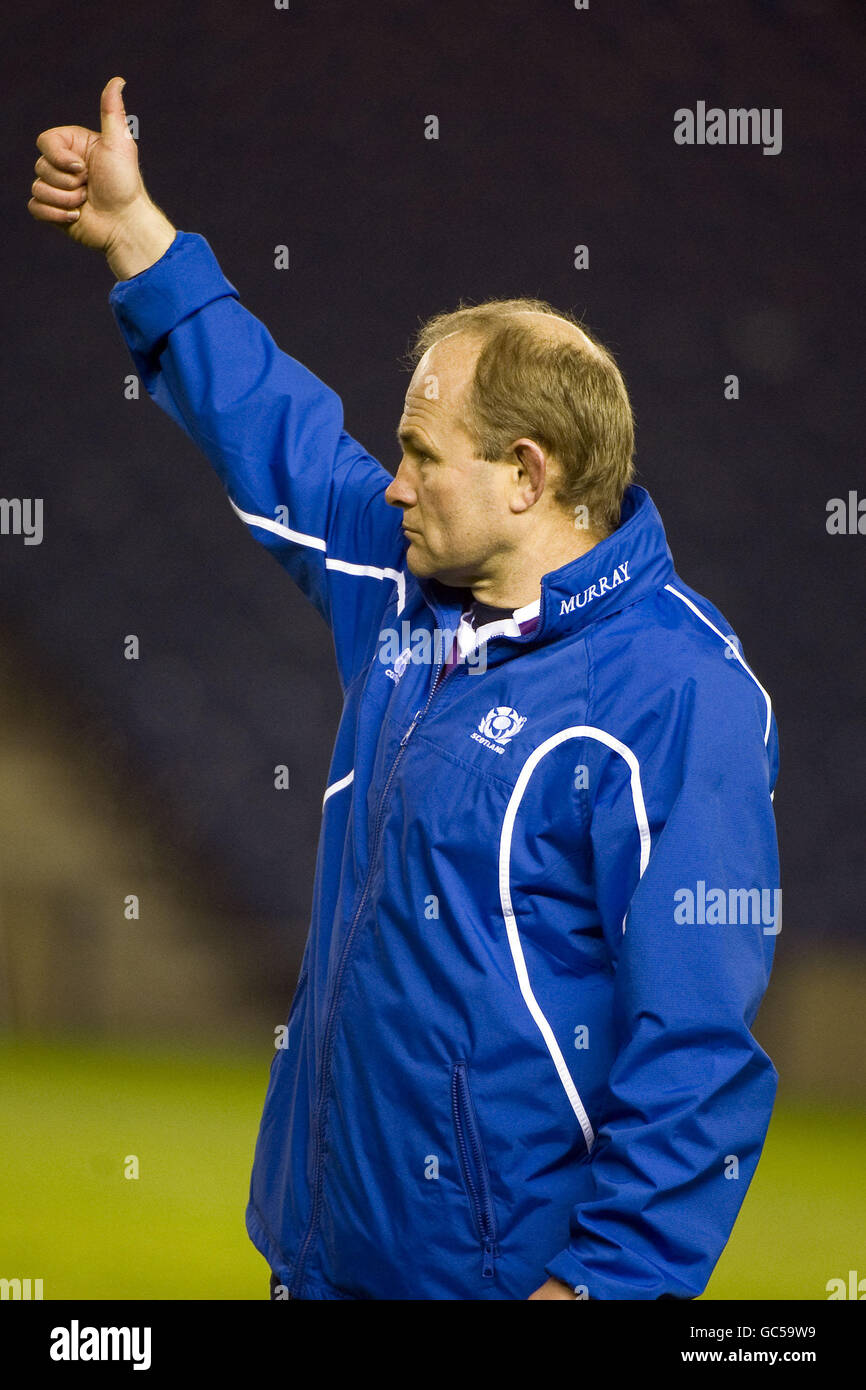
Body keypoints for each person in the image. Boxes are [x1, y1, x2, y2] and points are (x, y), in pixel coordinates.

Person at [29, 77, 781, 1301]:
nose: (392, 485)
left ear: (527, 474)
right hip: (319, 1258)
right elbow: (274, 428)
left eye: (424, 456)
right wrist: (135, 239)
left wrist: (606, 1287)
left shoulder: (676, 692)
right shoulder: (402, 579)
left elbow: (692, 1046)